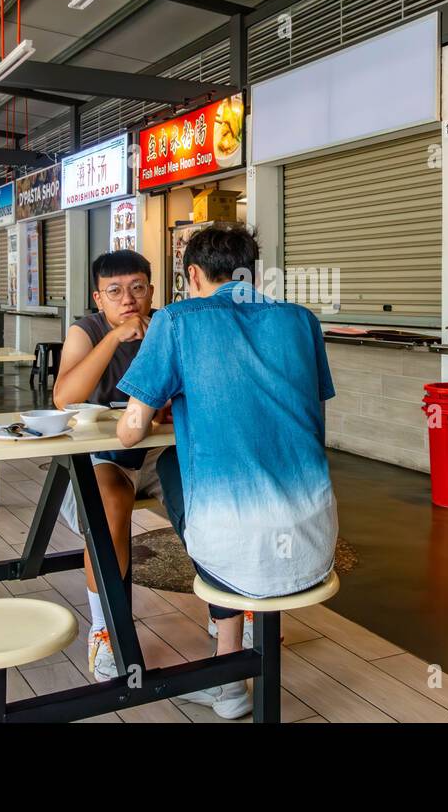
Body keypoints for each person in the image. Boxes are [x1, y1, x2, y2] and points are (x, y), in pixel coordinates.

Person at [116, 225, 337, 720]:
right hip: (314, 538)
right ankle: (242, 647)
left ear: (191, 274)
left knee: (175, 466)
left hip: (236, 549)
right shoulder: (301, 320)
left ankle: (229, 675)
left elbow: (131, 430)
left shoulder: (176, 319)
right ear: (250, 272)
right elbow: (305, 414)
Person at [51, 250, 186, 682]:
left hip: (159, 452)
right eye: (115, 291)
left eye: (138, 288)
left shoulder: (167, 325)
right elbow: (64, 398)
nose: (128, 298)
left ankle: (230, 607)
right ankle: (105, 630)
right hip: (106, 456)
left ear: (151, 290)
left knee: (212, 487)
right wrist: (114, 338)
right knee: (109, 501)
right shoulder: (85, 330)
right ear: (98, 298)